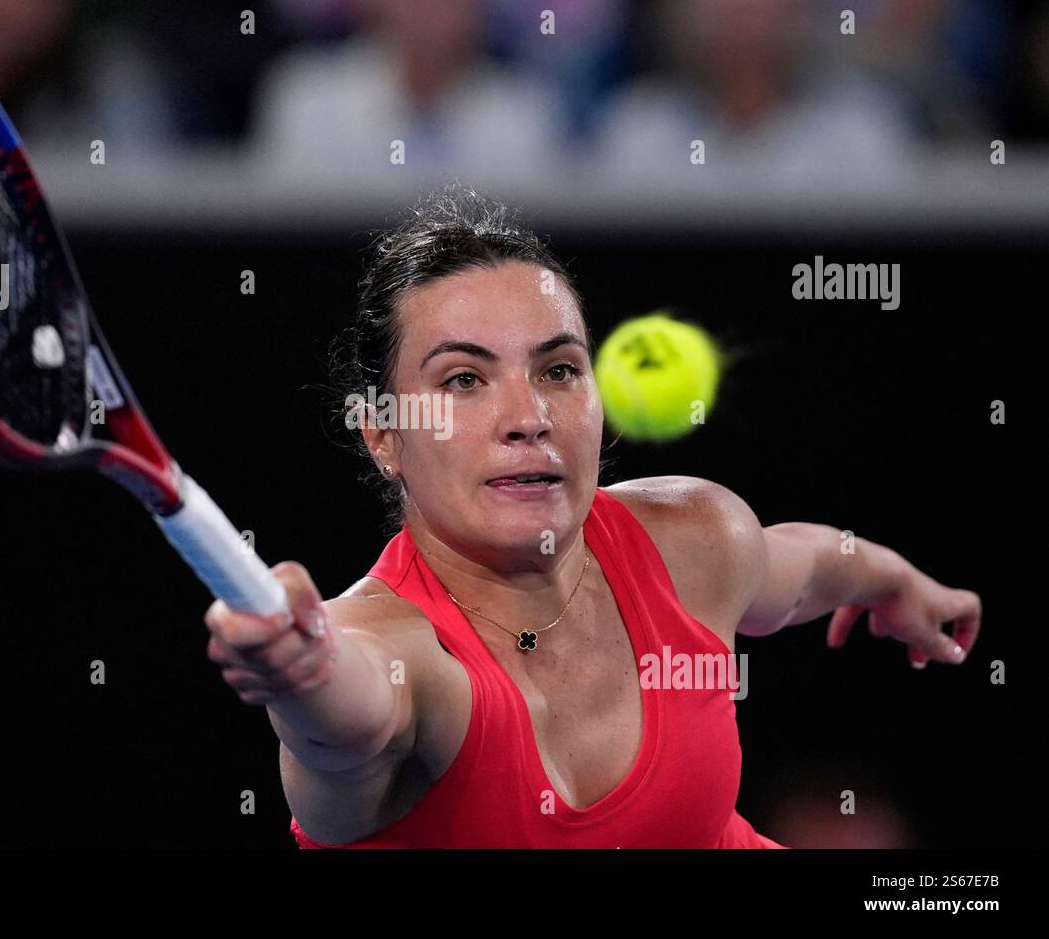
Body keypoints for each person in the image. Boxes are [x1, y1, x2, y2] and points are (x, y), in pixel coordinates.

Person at [202, 184, 982, 848]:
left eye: (559, 369)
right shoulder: (393, 647)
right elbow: (349, 718)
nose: (529, 414)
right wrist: (300, 676)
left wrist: (891, 579)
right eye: (465, 379)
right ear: (384, 437)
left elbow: (801, 564)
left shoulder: (694, 535)